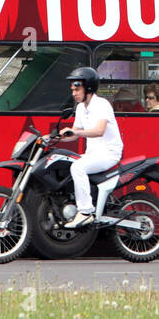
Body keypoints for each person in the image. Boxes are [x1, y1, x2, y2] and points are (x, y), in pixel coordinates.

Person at [57, 67, 123, 228]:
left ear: (89, 88)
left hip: (108, 153)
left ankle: (85, 212)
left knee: (78, 167)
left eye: (77, 89)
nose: (73, 93)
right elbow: (75, 133)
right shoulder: (80, 108)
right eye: (72, 89)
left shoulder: (102, 104)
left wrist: (76, 133)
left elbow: (99, 130)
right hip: (93, 153)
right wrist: (54, 138)